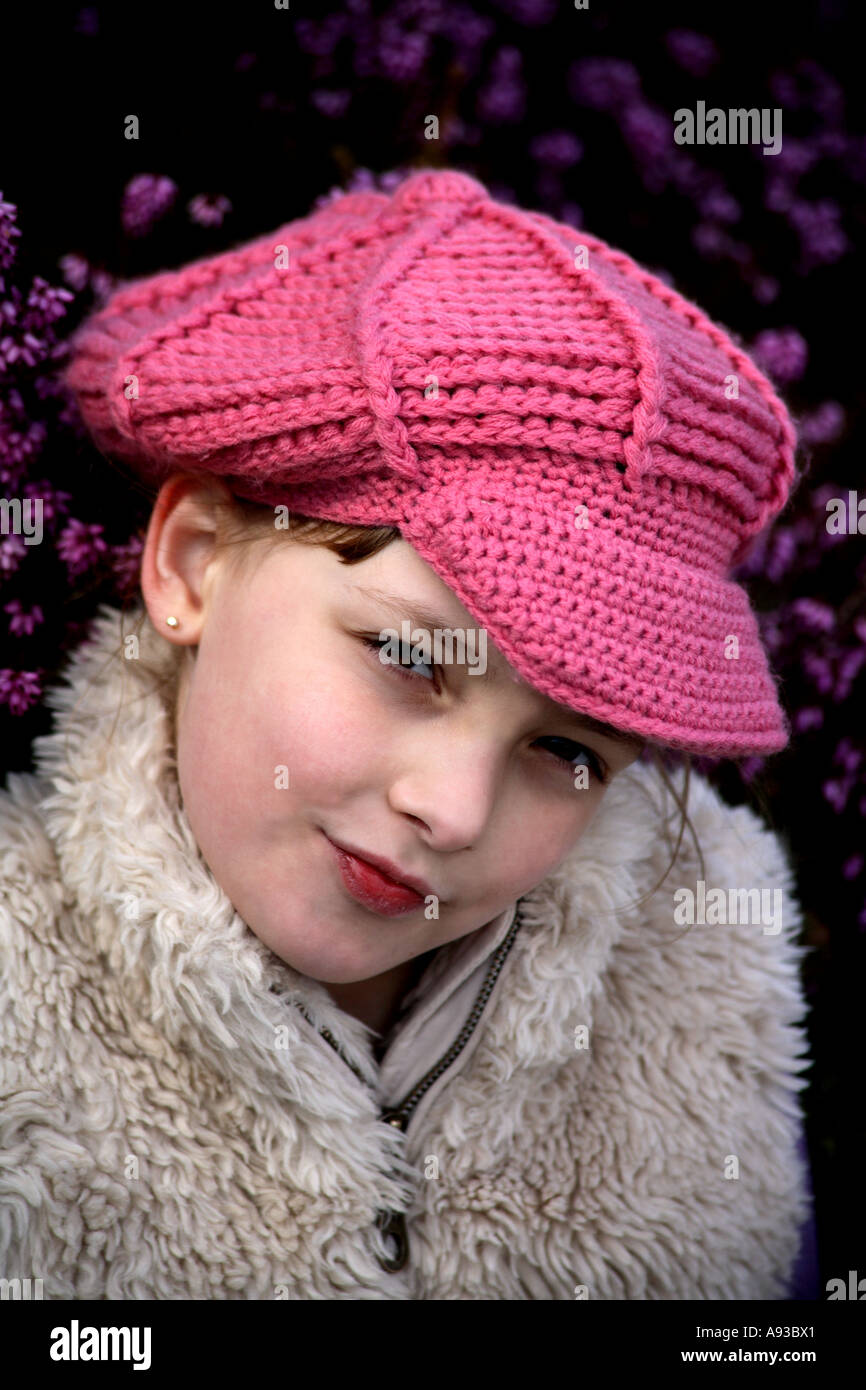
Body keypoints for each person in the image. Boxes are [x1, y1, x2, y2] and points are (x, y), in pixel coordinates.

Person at [0, 168, 815, 1299]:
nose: (455, 809)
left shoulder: (705, 976)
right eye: (408, 659)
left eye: (569, 752)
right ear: (193, 561)